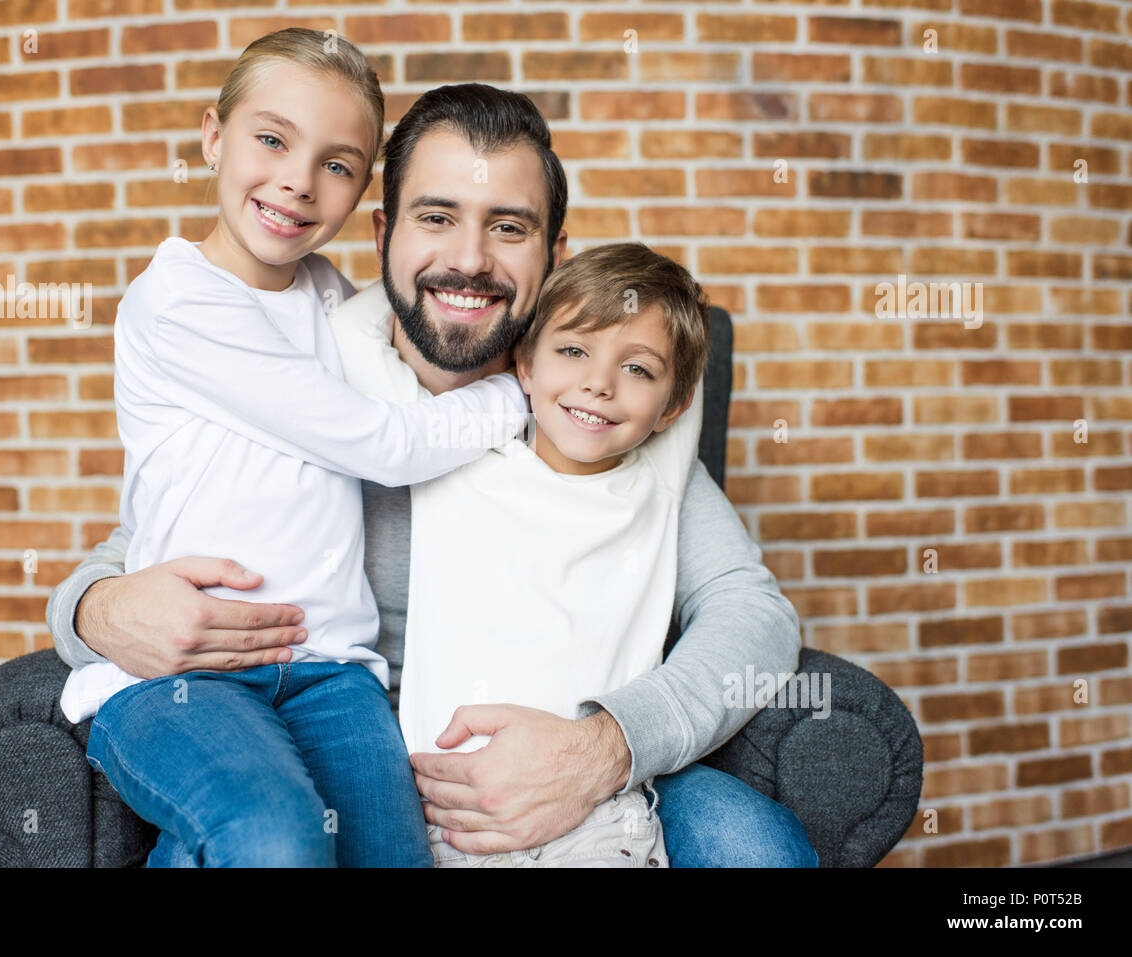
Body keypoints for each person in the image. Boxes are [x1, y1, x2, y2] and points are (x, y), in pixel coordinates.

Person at [48, 83, 819, 868]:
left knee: (753, 846)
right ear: (384, 233)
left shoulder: (590, 415)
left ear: (553, 257)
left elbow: (750, 613)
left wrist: (604, 746)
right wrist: (92, 609)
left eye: (509, 227)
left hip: (565, 759)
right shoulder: (315, 366)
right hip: (337, 741)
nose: (468, 259)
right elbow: (165, 521)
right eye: (437, 217)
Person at [74, 30, 531, 867]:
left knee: (391, 856)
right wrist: (519, 393)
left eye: (338, 164)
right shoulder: (178, 300)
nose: (297, 180)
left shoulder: (331, 297)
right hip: (190, 676)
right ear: (214, 136)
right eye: (273, 139)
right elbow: (385, 444)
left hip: (334, 672)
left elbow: (416, 364)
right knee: (272, 834)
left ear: (363, 194)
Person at [337, 241, 706, 867]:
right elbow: (352, 329)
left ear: (672, 409)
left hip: (597, 821)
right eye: (573, 350)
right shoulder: (454, 454)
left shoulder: (662, 478)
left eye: (637, 369)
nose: (598, 382)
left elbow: (689, 352)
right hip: (446, 820)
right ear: (524, 367)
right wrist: (501, 291)